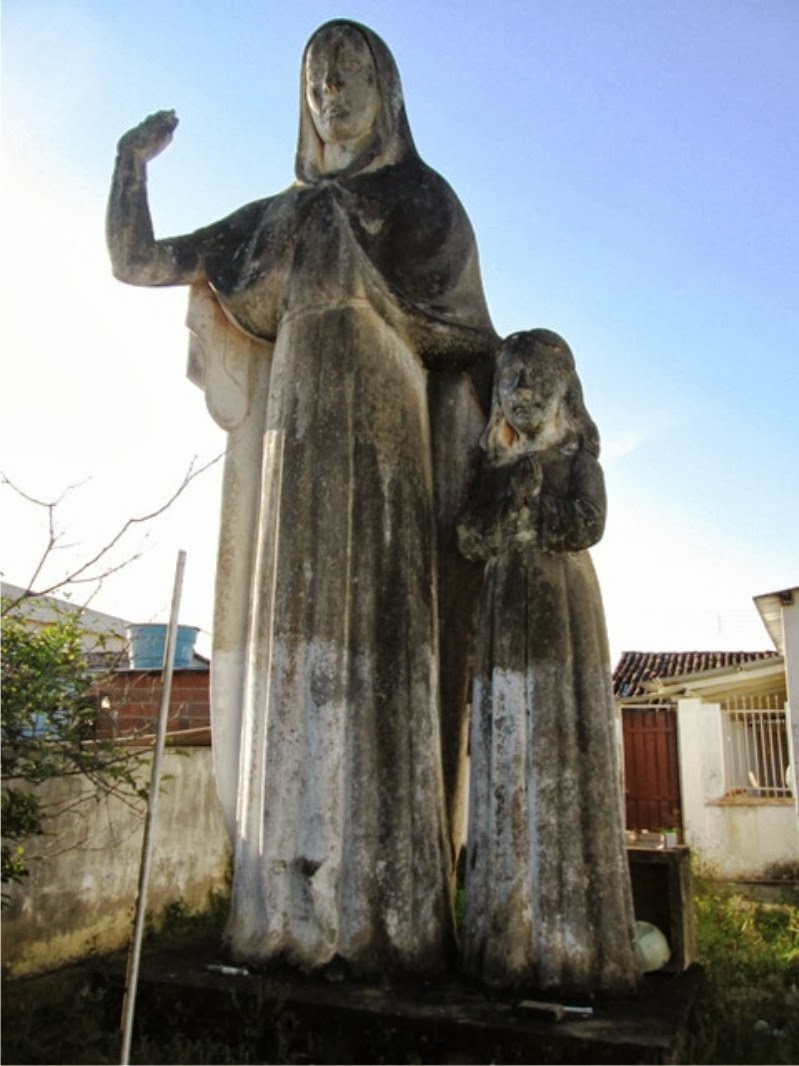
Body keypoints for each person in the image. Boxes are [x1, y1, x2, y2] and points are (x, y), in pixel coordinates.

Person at [107, 19, 496, 977]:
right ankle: (286, 904)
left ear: (387, 91)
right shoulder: (278, 218)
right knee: (293, 661)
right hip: (291, 454)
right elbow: (140, 260)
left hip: (386, 435)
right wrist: (129, 165)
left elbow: (468, 338)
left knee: (383, 645)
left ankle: (384, 913)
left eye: (350, 75)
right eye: (317, 82)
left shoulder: (420, 199)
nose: (332, 95)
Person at [457, 329, 640, 995]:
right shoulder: (491, 469)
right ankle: (504, 936)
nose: (524, 392)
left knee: (566, 748)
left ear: (566, 389)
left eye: (537, 379)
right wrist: (508, 502)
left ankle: (573, 936)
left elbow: (588, 522)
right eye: (512, 380)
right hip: (505, 611)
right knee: (505, 750)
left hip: (563, 610)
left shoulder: (575, 458)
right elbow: (469, 537)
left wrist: (537, 504)